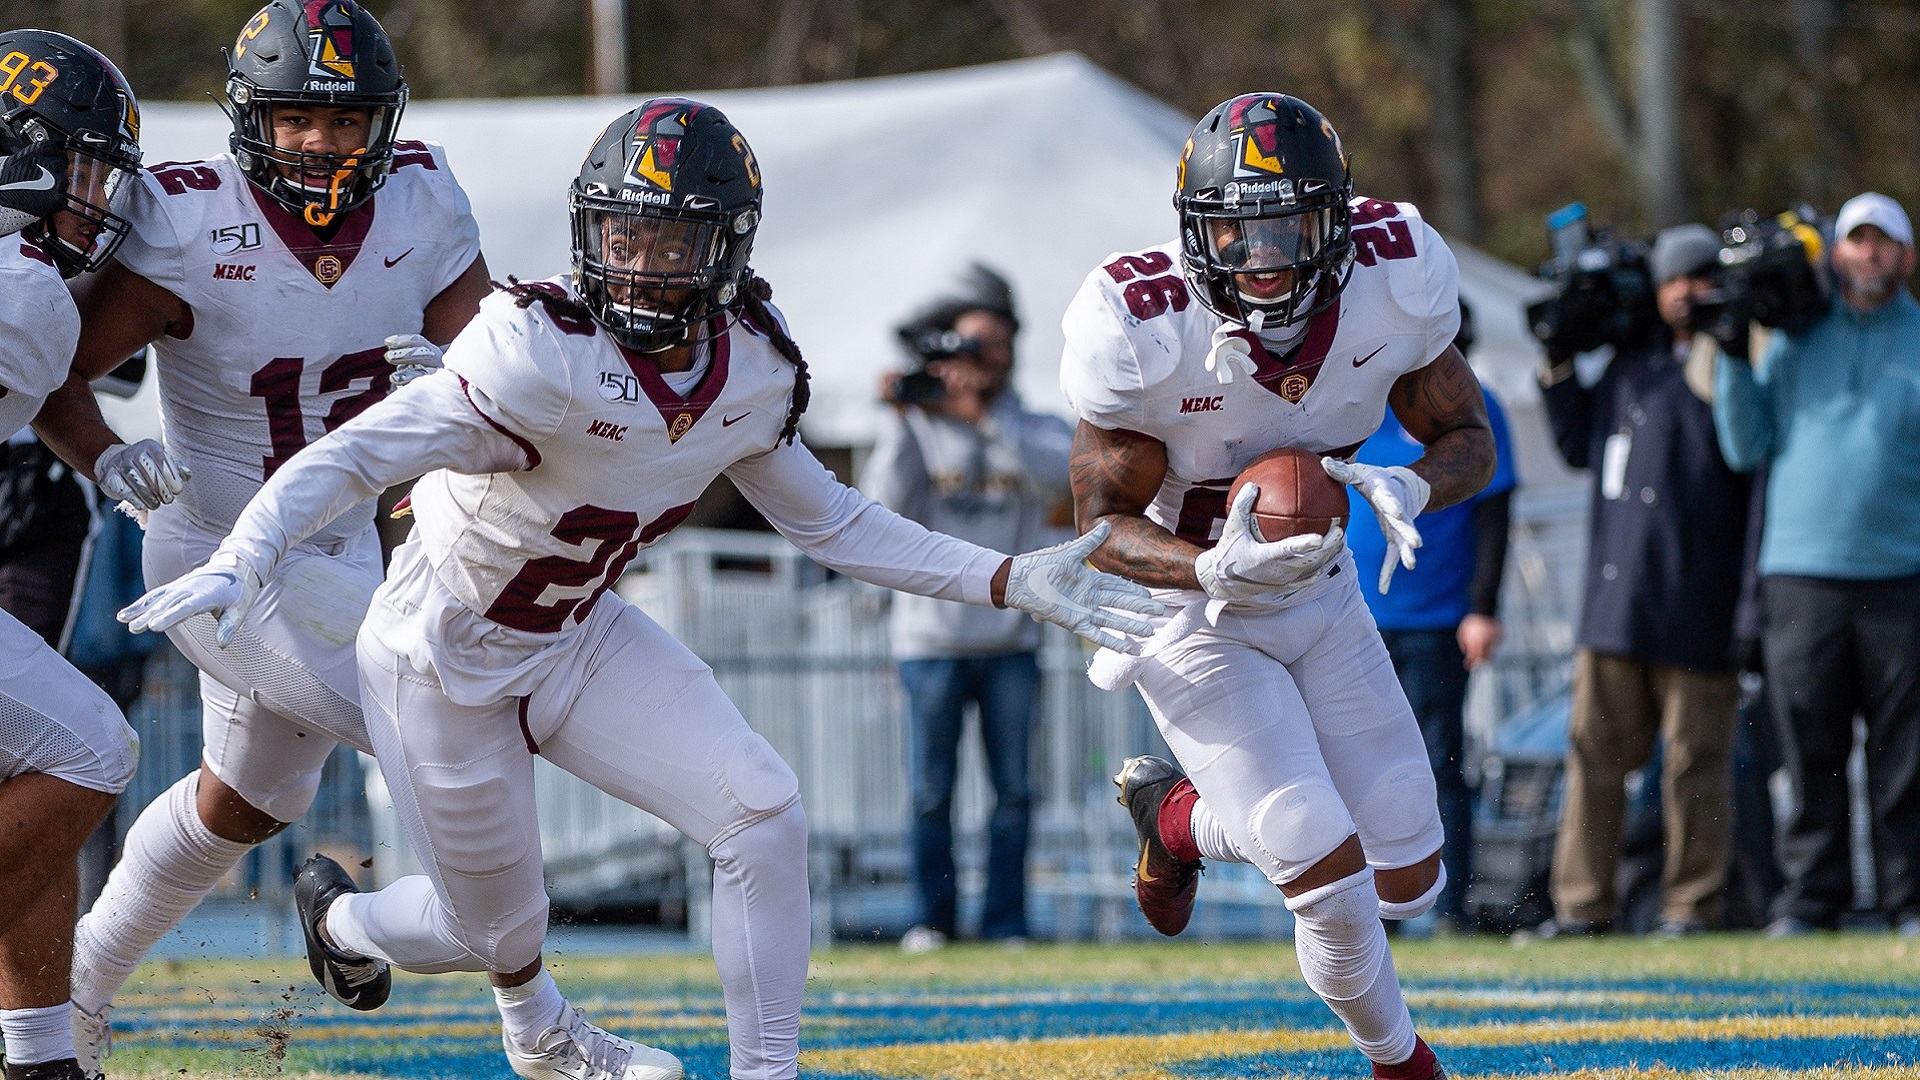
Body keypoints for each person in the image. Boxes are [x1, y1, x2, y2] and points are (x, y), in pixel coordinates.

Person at [116, 98, 1159, 1080]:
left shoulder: (751, 365)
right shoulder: (535, 349)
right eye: (623, 237)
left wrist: (1012, 577)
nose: (643, 267)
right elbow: (354, 454)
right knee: (495, 934)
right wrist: (248, 553)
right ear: (588, 234)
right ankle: (345, 924)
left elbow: (834, 521)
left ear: (728, 248)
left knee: (762, 812)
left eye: (672, 243)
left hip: (577, 631)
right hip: (441, 655)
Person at [27, 4, 491, 1073]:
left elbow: (500, 354)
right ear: (253, 120)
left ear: (385, 121)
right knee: (440, 722)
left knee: (245, 803)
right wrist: (102, 452)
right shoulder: (183, 218)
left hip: (345, 553)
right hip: (214, 559)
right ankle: (532, 1016)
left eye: (343, 122)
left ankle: (82, 990)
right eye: (294, 120)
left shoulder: (424, 194)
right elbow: (54, 364)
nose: (321, 144)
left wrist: (471, 386)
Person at [1066, 93, 1494, 1080]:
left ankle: (1179, 821)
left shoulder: (1400, 277)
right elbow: (1099, 527)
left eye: (1286, 226)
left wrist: (1414, 483)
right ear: (1193, 232)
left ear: (1337, 222)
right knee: (1319, 856)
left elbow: (1468, 438)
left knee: (1411, 874)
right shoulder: (1144, 324)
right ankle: (1401, 1062)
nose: (1261, 259)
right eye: (1234, 231)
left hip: (1320, 588)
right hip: (1186, 603)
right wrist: (1211, 564)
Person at [1533, 223, 1751, 938]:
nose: (1688, 293)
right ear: (1654, 290)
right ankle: (1582, 905)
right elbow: (1573, 445)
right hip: (1617, 603)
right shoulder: (1630, 364)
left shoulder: (1739, 360)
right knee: (1594, 759)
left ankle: (1692, 905)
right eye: (1675, 281)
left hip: (1701, 601)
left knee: (1695, 766)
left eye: (1700, 279)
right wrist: (1558, 358)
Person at [0, 29, 147, 1080]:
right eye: (86, 167)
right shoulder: (28, 294)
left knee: (47, 747)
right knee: (92, 747)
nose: (98, 200)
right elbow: (57, 352)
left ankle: (41, 1053)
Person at [1713, 192, 1920, 936]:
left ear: (1906, 256)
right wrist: (1734, 357)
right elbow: (1746, 447)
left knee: (1906, 754)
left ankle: (1909, 901)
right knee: (1810, 749)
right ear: (1838, 252)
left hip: (1903, 576)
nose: (1869, 253)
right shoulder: (1796, 341)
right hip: (1800, 575)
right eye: (1858, 240)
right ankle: (1810, 899)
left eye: (1884, 242)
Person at [862, 265, 1072, 950]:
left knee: (1014, 794)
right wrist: (903, 417)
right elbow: (883, 507)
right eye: (972, 346)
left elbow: (1062, 478)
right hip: (929, 642)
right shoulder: (919, 427)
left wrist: (985, 421)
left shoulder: (1034, 424)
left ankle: (1007, 921)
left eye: (998, 347)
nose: (986, 361)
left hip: (1011, 640)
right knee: (930, 793)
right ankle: (933, 920)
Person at [1346, 302, 1517, 932]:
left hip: (1438, 617)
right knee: (1359, 763)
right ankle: (1373, 909)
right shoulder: (1362, 406)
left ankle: (1452, 904)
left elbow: (1495, 514)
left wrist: (1482, 609)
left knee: (1438, 760)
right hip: (1356, 618)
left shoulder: (1479, 409)